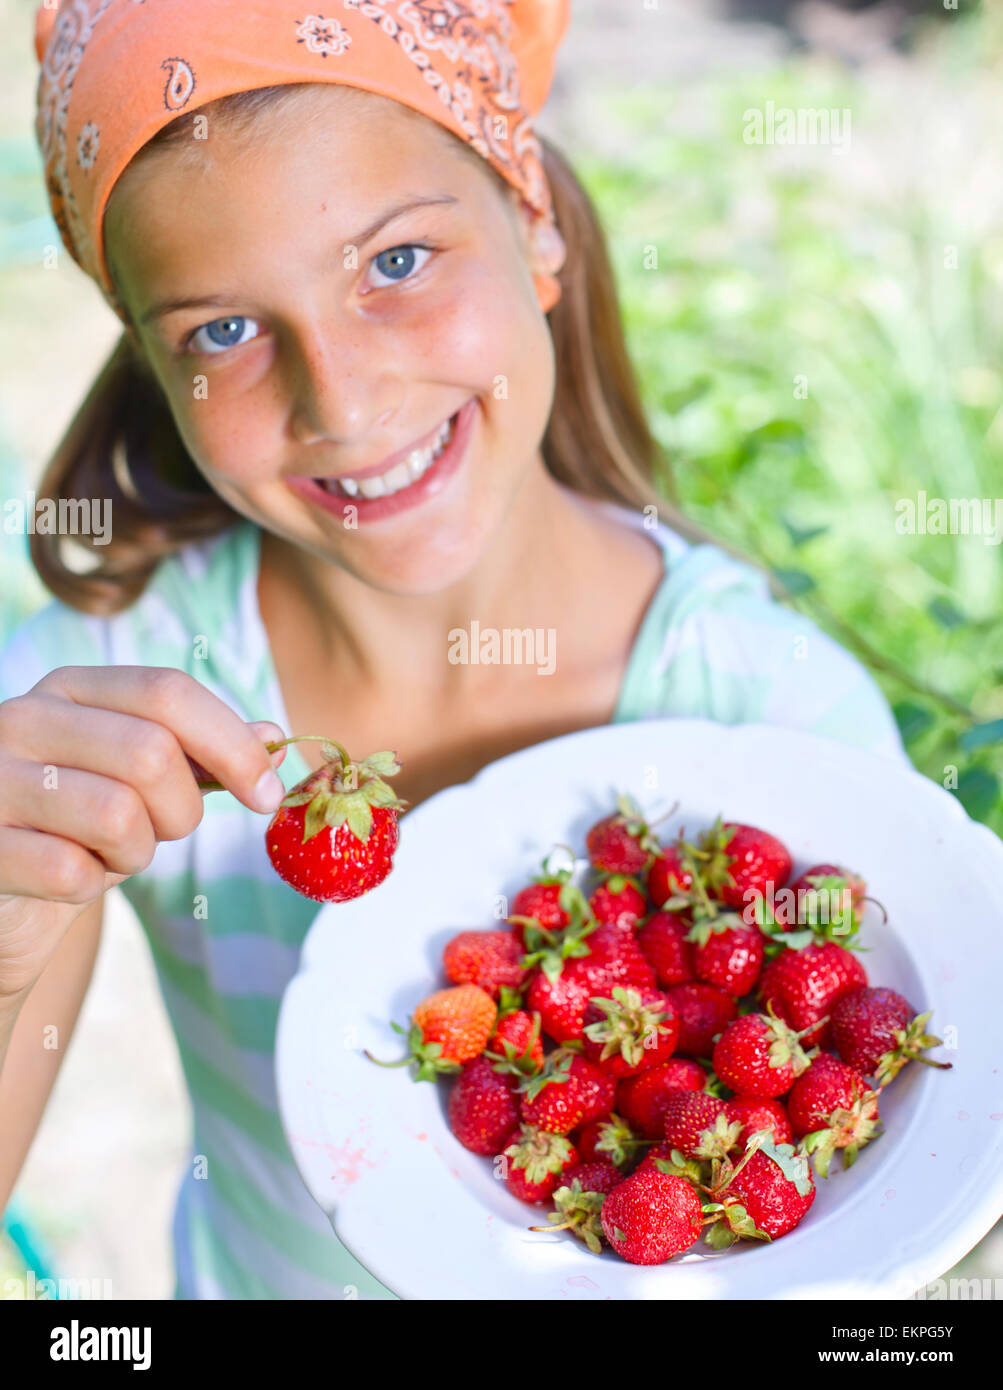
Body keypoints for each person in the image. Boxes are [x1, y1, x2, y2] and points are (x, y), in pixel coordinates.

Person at [0, 0, 909, 1300]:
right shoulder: (108, 701)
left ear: (530, 216)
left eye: (399, 261)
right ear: (151, 363)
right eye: (222, 330)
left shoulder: (769, 710)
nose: (345, 398)